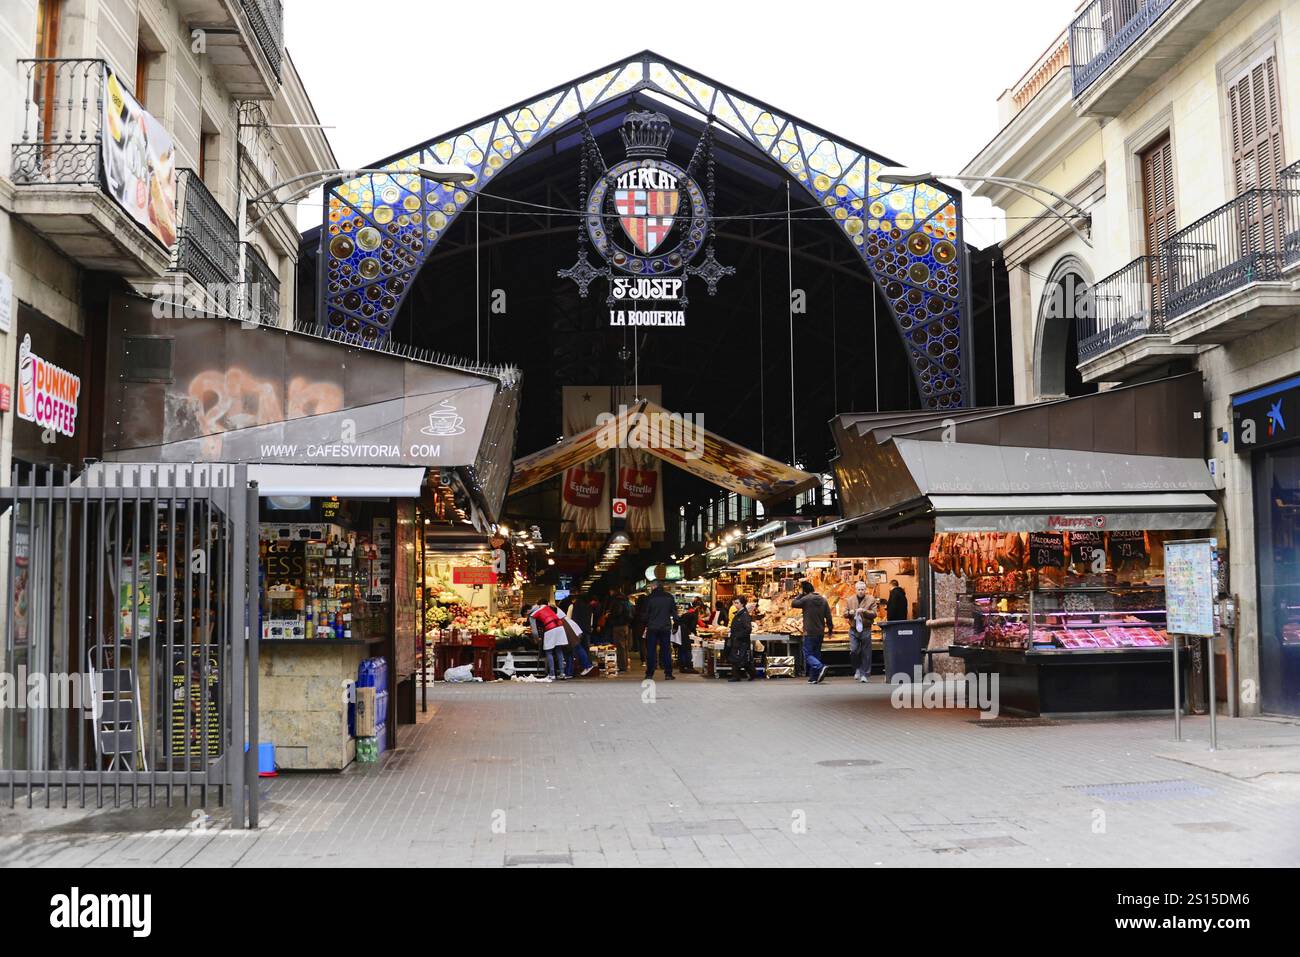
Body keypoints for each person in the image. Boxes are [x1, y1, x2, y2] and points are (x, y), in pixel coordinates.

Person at [792, 580, 834, 684]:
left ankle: (820, 667)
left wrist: (800, 595)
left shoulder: (806, 599)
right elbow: (828, 616)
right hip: (820, 632)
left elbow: (793, 603)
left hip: (809, 632)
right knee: (816, 654)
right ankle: (814, 678)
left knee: (808, 654)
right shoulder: (824, 600)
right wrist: (830, 629)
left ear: (805, 591)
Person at [642, 579, 678, 680]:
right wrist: (676, 625)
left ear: (654, 586)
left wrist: (645, 624)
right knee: (666, 650)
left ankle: (649, 673)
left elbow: (645, 615)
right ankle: (668, 674)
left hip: (652, 627)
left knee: (651, 651)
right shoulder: (669, 597)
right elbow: (674, 613)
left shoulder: (649, 598)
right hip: (665, 627)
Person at [844, 580, 879, 683]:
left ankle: (865, 674)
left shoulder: (871, 599)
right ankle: (857, 669)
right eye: (859, 589)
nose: (861, 591)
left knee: (866, 653)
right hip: (853, 629)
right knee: (854, 650)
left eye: (862, 589)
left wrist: (864, 611)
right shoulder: (850, 600)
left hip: (866, 629)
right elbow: (844, 613)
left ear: (865, 590)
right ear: (855, 590)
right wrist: (849, 612)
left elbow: (874, 614)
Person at [529, 601, 570, 680]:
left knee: (549, 651)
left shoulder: (533, 614)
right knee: (559, 650)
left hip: (550, 628)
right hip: (560, 627)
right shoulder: (547, 607)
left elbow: (534, 630)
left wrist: (536, 638)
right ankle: (562, 673)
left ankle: (552, 674)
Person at [560, 596, 597, 677]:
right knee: (585, 648)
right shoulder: (589, 607)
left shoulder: (572, 606)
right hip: (586, 630)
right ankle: (586, 667)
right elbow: (591, 618)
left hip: (576, 630)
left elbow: (568, 618)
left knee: (575, 649)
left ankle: (581, 667)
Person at [725, 595, 756, 681]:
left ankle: (751, 674)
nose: (735, 604)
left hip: (741, 641)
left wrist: (738, 636)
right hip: (737, 640)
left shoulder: (744, 615)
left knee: (741, 659)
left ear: (742, 604)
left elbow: (748, 629)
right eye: (734, 602)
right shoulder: (739, 613)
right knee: (736, 658)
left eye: (737, 603)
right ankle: (737, 676)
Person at [607, 591, 632, 671]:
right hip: (626, 626)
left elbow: (617, 612)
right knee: (625, 646)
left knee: (620, 646)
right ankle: (625, 664)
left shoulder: (617, 603)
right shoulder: (627, 602)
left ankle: (622, 666)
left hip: (618, 626)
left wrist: (610, 615)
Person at [676, 599, 702, 674]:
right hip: (685, 632)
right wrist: (696, 633)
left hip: (679, 632)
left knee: (681, 649)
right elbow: (692, 626)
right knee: (687, 649)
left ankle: (682, 666)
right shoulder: (693, 614)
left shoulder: (687, 613)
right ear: (697, 607)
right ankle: (689, 667)